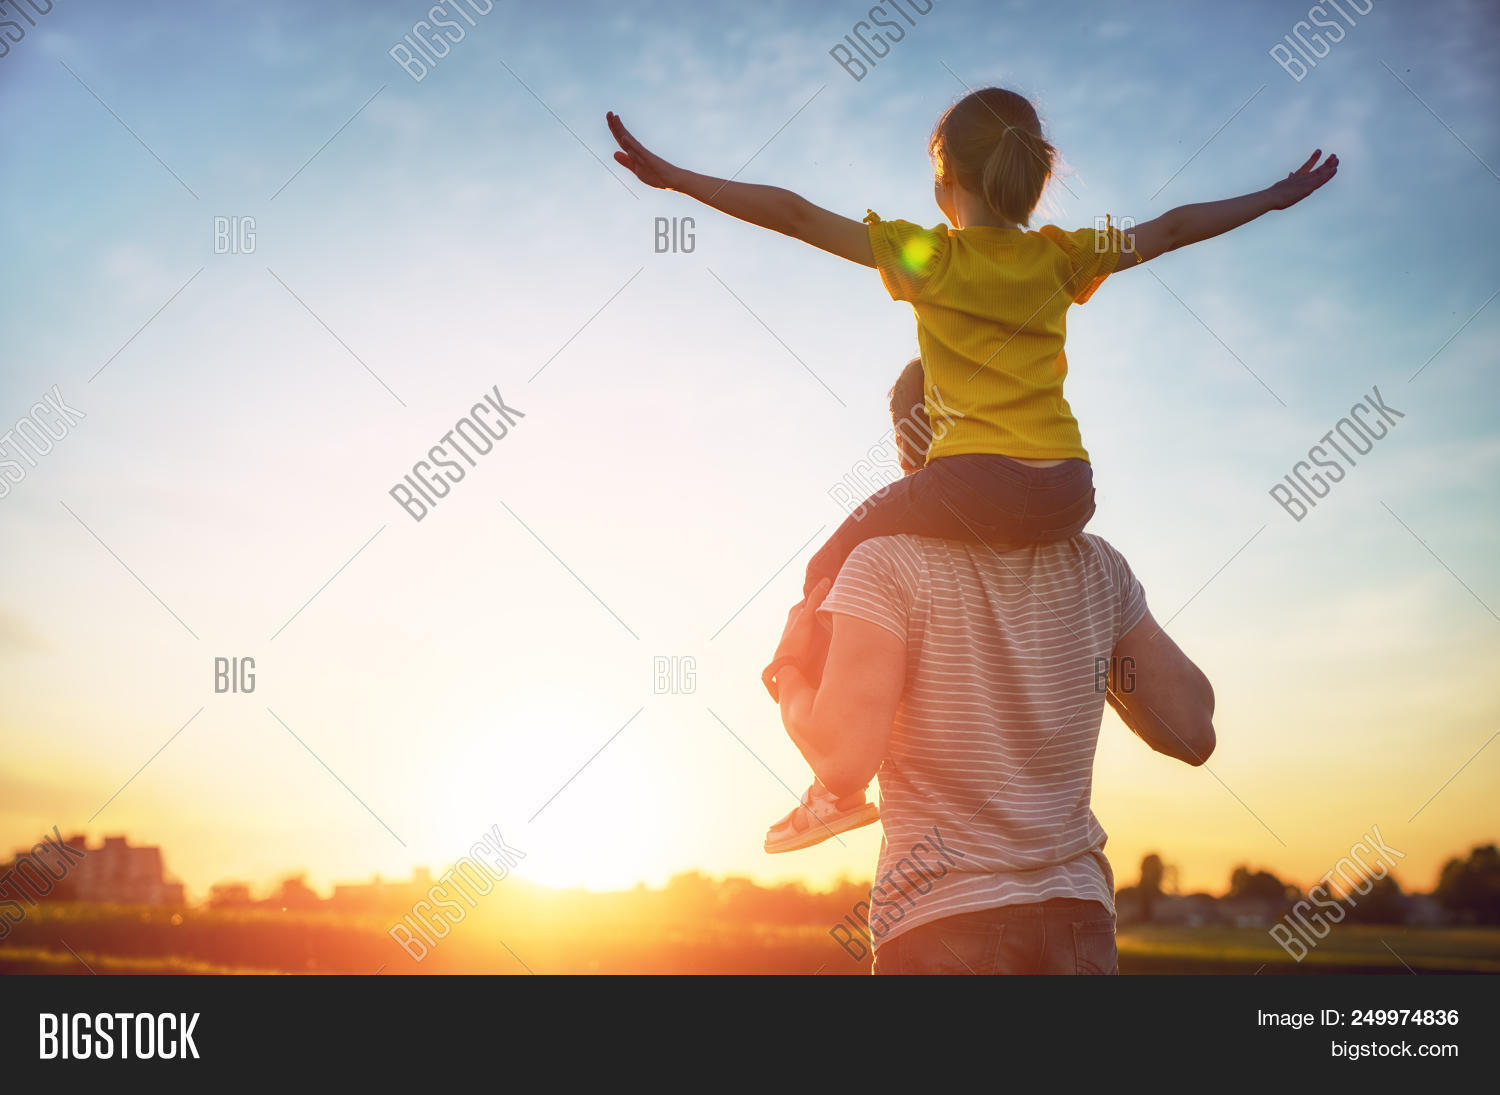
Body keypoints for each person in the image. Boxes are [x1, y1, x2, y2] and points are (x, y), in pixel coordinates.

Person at [606, 90, 1335, 847]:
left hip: (972, 482)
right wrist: (1275, 199)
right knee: (904, 537)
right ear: (1027, 176)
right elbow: (1177, 227)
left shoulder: (932, 256)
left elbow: (795, 215)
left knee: (830, 558)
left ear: (946, 179)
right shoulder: (1062, 254)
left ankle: (834, 787)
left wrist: (681, 179)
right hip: (1066, 489)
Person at [771, 357, 1217, 973]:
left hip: (941, 922)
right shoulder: (1097, 567)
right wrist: (1089, 650)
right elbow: (1191, 729)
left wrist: (787, 670)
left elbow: (844, 765)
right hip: (1078, 921)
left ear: (908, 454)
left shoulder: (883, 565)